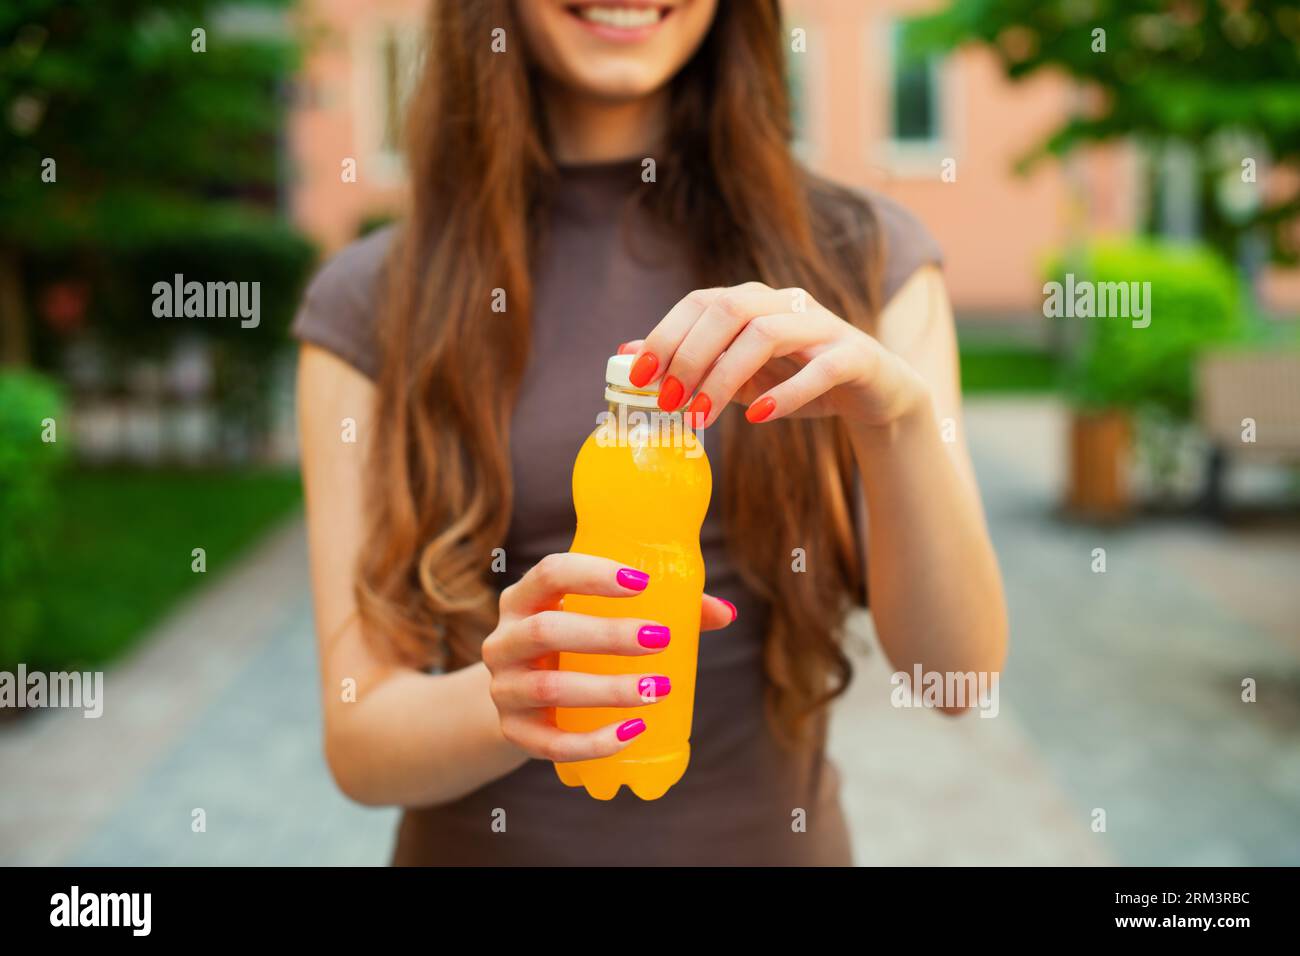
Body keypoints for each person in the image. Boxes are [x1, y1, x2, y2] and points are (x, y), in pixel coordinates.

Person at [293, 0, 1007, 865]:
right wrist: (517, 695)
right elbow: (361, 743)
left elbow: (959, 676)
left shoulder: (864, 257)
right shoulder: (373, 299)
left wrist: (896, 422)